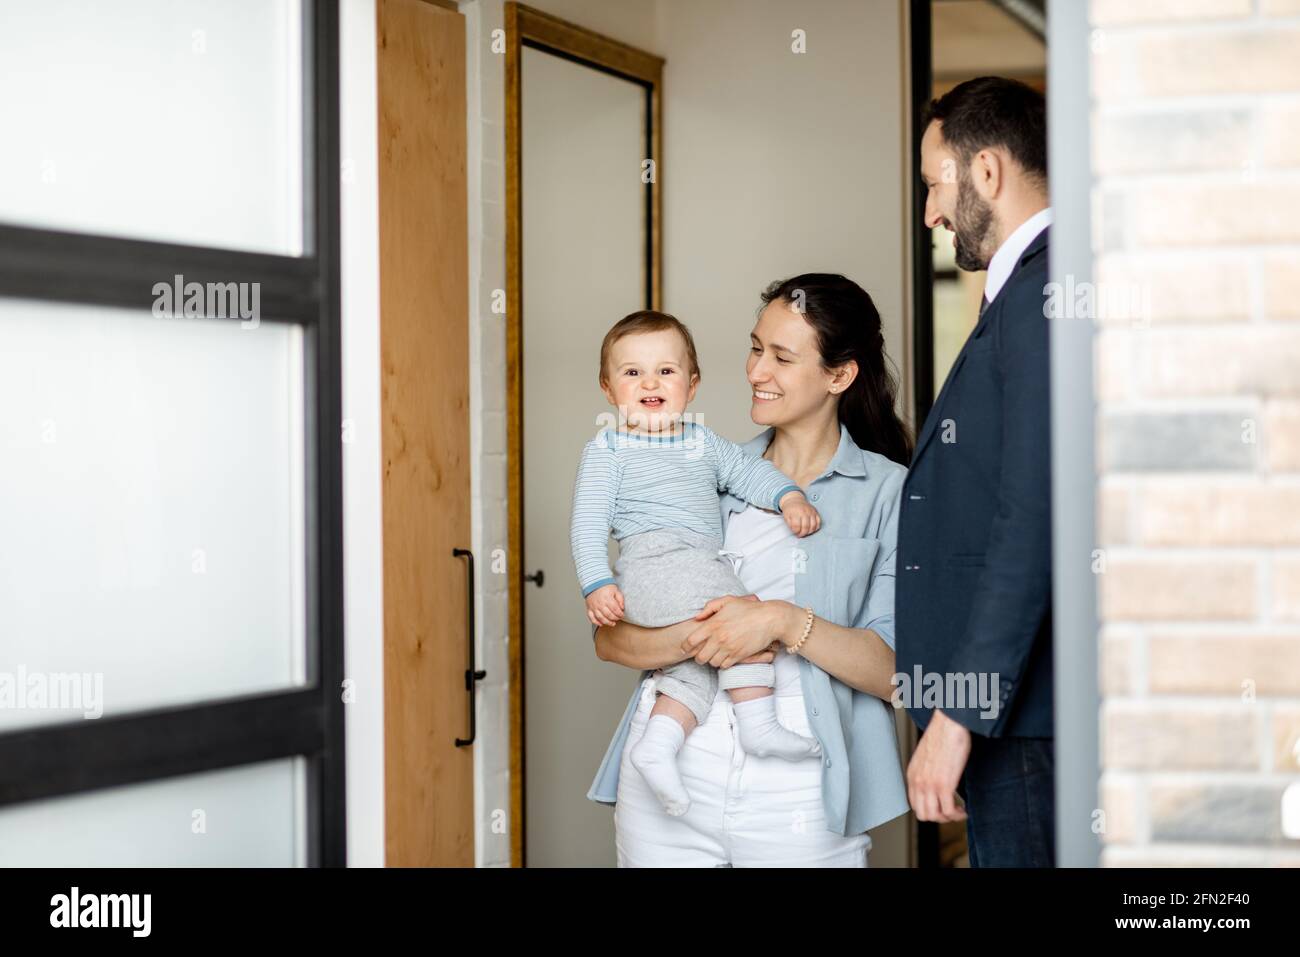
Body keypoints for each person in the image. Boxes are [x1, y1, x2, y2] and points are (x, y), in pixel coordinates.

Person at [586, 274, 913, 866]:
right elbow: (610, 641)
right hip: (672, 777)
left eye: (782, 357)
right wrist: (703, 637)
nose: (756, 371)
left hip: (802, 793)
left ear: (839, 375)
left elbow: (896, 675)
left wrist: (783, 623)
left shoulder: (888, 493)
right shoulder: (697, 466)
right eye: (756, 347)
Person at [569, 309, 823, 817]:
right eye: (631, 372)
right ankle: (759, 725)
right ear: (607, 388)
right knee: (744, 614)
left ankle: (658, 744)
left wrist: (790, 497)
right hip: (653, 562)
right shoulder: (608, 450)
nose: (649, 383)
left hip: (688, 567)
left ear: (693, 383)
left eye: (666, 370)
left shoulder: (703, 443)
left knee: (693, 667)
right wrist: (596, 583)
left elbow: (752, 476)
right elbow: (587, 524)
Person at [898, 75, 1055, 867]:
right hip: (1015, 713)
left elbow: (1033, 519)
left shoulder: (1040, 296)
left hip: (1020, 717)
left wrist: (956, 712)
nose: (929, 211)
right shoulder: (1031, 291)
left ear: (986, 171)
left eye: (935, 184)